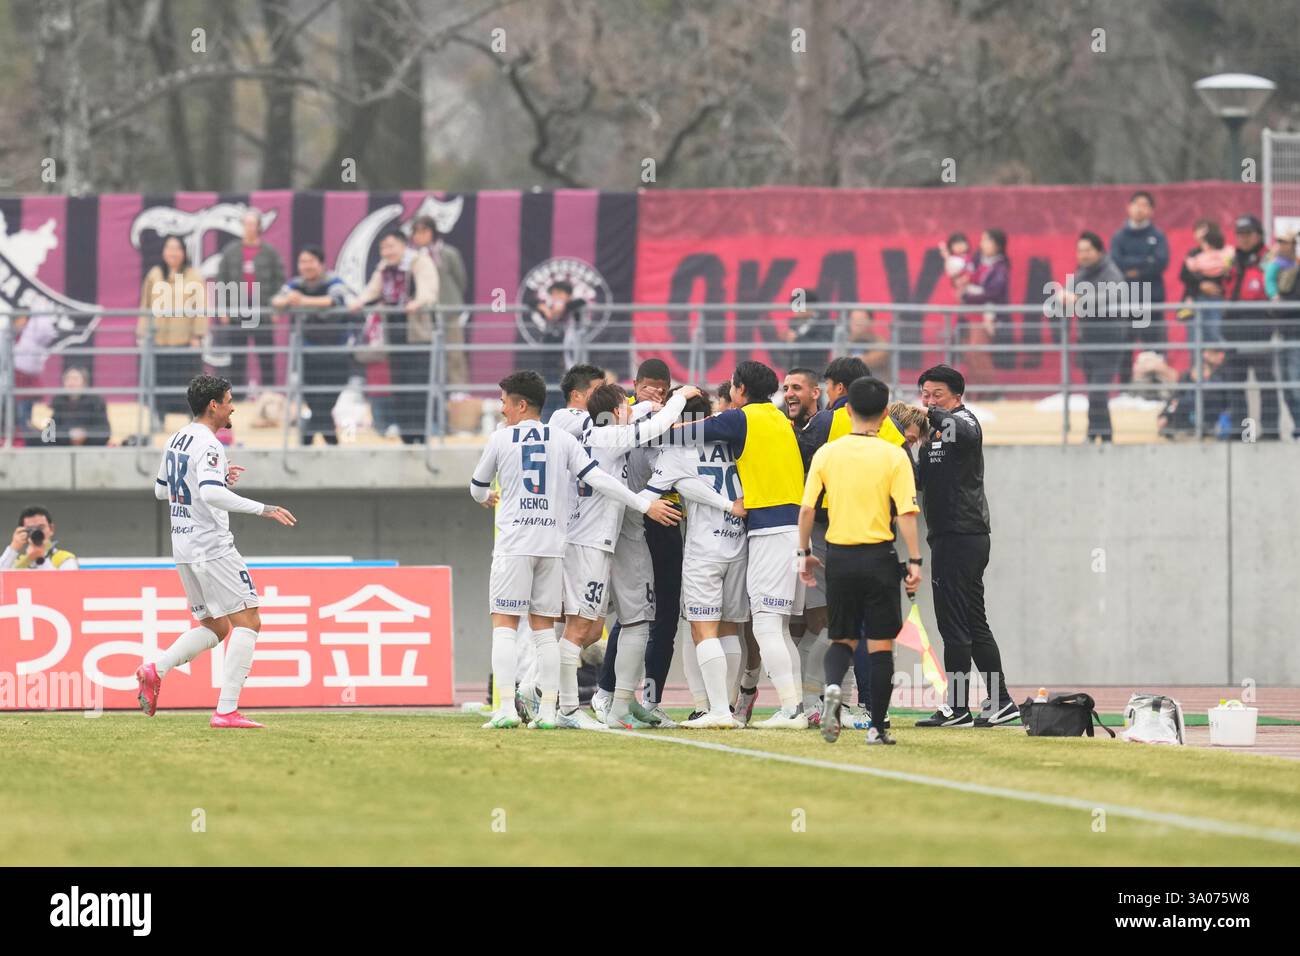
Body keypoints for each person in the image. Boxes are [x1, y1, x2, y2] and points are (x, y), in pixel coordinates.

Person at [469, 370, 680, 730]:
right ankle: (554, 704)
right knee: (567, 628)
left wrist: (486, 496)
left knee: (574, 626)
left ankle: (538, 701)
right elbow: (603, 472)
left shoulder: (514, 436)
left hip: (548, 540)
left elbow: (477, 486)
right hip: (576, 542)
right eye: (622, 405)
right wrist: (676, 398)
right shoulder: (578, 429)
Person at [135, 375, 299, 729]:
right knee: (249, 620)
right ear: (214, 405)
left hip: (182, 546)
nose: (233, 406)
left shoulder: (177, 438)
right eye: (228, 400)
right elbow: (209, 494)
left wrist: (215, 479)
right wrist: (263, 508)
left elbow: (162, 491)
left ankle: (156, 668)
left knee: (215, 626)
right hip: (211, 545)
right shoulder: (209, 444)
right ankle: (226, 711)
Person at [799, 376, 922, 746]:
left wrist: (804, 553)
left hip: (838, 556)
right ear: (886, 414)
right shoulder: (894, 454)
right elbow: (906, 513)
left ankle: (833, 689)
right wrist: (914, 560)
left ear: (847, 409)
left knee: (842, 639)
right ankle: (876, 727)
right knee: (881, 645)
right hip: (878, 557)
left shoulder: (827, 453)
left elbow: (807, 509)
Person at [699, 359, 807, 728]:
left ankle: (792, 710)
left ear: (739, 389)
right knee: (776, 626)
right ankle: (795, 707)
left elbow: (688, 434)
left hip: (771, 531)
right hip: (792, 529)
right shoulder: (780, 419)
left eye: (732, 385)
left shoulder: (742, 417)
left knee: (764, 625)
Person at [914, 365, 1018, 727]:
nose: (928, 400)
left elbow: (968, 434)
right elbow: (919, 480)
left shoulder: (964, 420)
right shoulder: (932, 434)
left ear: (956, 395)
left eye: (936, 394)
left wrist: (932, 414)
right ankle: (1001, 701)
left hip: (962, 535)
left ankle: (957, 708)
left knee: (954, 623)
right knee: (973, 622)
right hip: (949, 535)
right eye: (924, 394)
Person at [641, 388, 749, 727]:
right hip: (739, 541)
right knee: (730, 627)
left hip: (705, 549)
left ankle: (716, 711)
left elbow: (649, 495)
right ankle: (727, 707)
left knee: (703, 629)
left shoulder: (674, 451)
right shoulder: (732, 444)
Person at [348, 229, 438, 444]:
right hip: (395, 334)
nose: (387, 252)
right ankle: (406, 434)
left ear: (403, 245)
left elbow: (429, 291)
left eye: (391, 246)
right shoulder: (384, 267)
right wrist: (359, 302)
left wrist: (416, 303)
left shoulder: (420, 262)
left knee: (419, 385)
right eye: (383, 248)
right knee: (399, 384)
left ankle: (421, 434)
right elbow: (373, 289)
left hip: (418, 333)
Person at [271, 246, 353, 445]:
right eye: (302, 262)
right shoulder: (296, 284)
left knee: (328, 399)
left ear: (321, 263)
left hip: (337, 353)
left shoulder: (334, 281)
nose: (306, 266)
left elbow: (336, 300)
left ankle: (307, 436)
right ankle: (329, 440)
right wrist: (286, 300)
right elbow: (276, 302)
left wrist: (303, 300)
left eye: (310, 261)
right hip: (308, 352)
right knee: (314, 399)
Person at [1220, 215, 1279, 440]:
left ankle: (1271, 430)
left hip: (1259, 325)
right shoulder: (1232, 260)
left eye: (1248, 234)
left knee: (1266, 380)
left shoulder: (1269, 259)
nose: (1243, 239)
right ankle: (1241, 431)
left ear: (1258, 235)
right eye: (1240, 235)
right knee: (1235, 382)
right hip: (1233, 326)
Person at [214, 210, 287, 393]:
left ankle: (269, 393)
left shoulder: (269, 252)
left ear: (259, 227)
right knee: (237, 355)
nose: (249, 228)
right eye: (246, 224)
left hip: (262, 310)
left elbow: (280, 282)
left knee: (266, 354)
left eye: (252, 224)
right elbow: (221, 281)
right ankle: (236, 395)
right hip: (237, 309)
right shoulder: (230, 252)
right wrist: (222, 309)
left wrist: (276, 310)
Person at [138, 234, 207, 421]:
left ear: (184, 252)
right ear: (163, 252)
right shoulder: (155, 275)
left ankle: (191, 419)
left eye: (177, 248)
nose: (173, 252)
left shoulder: (193, 276)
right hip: (159, 340)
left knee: (189, 384)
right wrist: (143, 335)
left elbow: (200, 308)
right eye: (169, 248)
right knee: (159, 381)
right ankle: (158, 418)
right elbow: (145, 306)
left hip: (184, 341)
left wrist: (197, 335)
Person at [1069, 231, 1130, 442]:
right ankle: (1102, 435)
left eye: (1088, 250)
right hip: (1087, 341)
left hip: (1109, 343)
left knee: (1098, 393)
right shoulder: (1080, 274)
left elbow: (1113, 295)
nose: (1083, 255)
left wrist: (1078, 298)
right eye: (1080, 250)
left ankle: (1095, 434)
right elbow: (1069, 300)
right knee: (1095, 394)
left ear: (1099, 251)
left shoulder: (1111, 272)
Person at [1110, 191, 1170, 381]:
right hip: (1126, 301)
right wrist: (1143, 262)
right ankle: (1125, 390)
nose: (1139, 209)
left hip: (1150, 300)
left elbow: (1160, 262)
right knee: (1124, 349)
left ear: (1152, 211)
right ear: (1128, 207)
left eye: (1145, 205)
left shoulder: (1157, 236)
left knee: (1153, 349)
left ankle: (1153, 391)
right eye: (1136, 204)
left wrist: (1137, 270)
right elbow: (1115, 262)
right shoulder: (1119, 237)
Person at [410, 215, 469, 387]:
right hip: (423, 317)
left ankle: (459, 393)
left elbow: (460, 280)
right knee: (428, 358)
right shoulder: (410, 257)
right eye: (416, 232)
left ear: (433, 232)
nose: (420, 235)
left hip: (448, 312)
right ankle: (432, 395)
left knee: (454, 354)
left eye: (424, 231)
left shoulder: (448, 253)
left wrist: (451, 300)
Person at [960, 229, 1010, 385]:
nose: (981, 244)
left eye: (985, 240)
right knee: (969, 353)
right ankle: (978, 391)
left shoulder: (999, 267)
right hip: (974, 314)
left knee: (977, 352)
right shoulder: (979, 262)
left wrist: (969, 295)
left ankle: (992, 391)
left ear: (996, 245)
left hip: (988, 315)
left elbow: (993, 292)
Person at [48, 366, 112, 446]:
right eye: (68, 379)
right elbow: (50, 433)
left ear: (84, 382)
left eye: (75, 379)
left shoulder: (96, 402)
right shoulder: (59, 402)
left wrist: (85, 434)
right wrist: (69, 434)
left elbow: (104, 431)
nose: (71, 383)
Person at [1, 506, 79, 570]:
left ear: (51, 529)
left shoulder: (65, 559)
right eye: (30, 529)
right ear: (23, 531)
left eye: (41, 528)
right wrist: (13, 548)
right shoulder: (19, 563)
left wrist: (41, 561)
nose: (37, 532)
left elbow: (63, 587)